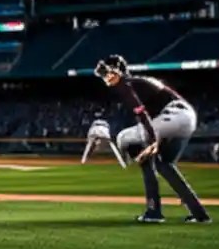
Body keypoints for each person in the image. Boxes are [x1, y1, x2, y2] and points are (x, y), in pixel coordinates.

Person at [89, 55, 211, 224]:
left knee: (124, 138)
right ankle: (199, 214)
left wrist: (153, 141)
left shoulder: (127, 84)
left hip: (172, 116)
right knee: (164, 165)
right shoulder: (138, 83)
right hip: (187, 117)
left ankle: (154, 211)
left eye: (108, 72)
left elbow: (142, 114)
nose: (106, 77)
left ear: (119, 71)